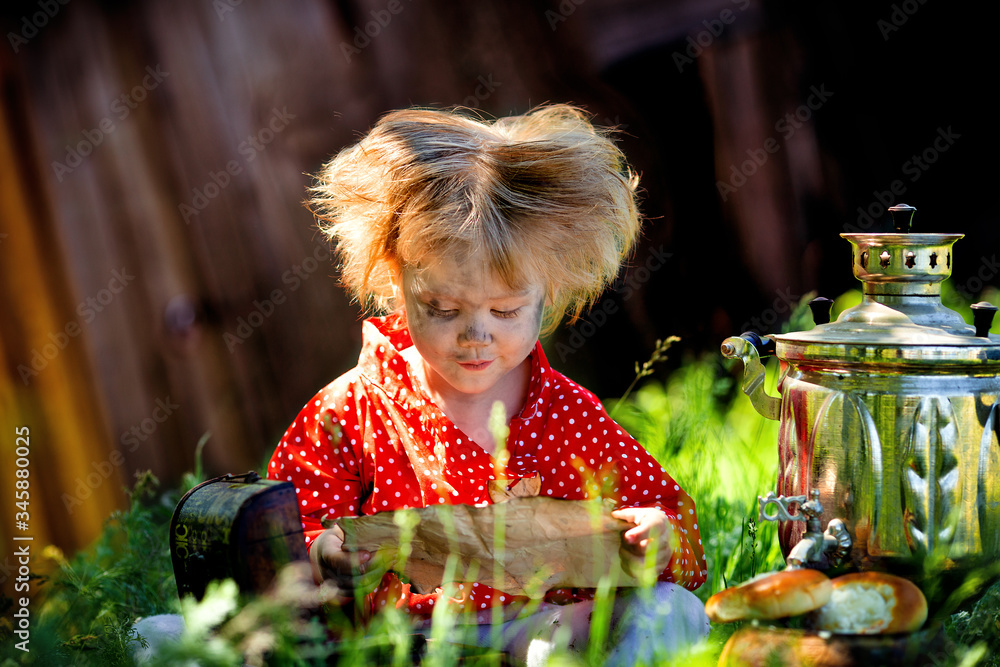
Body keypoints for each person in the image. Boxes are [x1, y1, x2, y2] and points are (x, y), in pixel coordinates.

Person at [267, 104, 709, 662]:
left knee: (674, 612)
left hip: (538, 631)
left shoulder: (567, 416)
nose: (475, 335)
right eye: (443, 308)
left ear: (549, 290)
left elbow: (678, 527)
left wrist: (658, 536)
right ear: (395, 282)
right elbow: (281, 524)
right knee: (172, 636)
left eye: (505, 311)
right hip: (399, 642)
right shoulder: (352, 409)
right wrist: (322, 550)